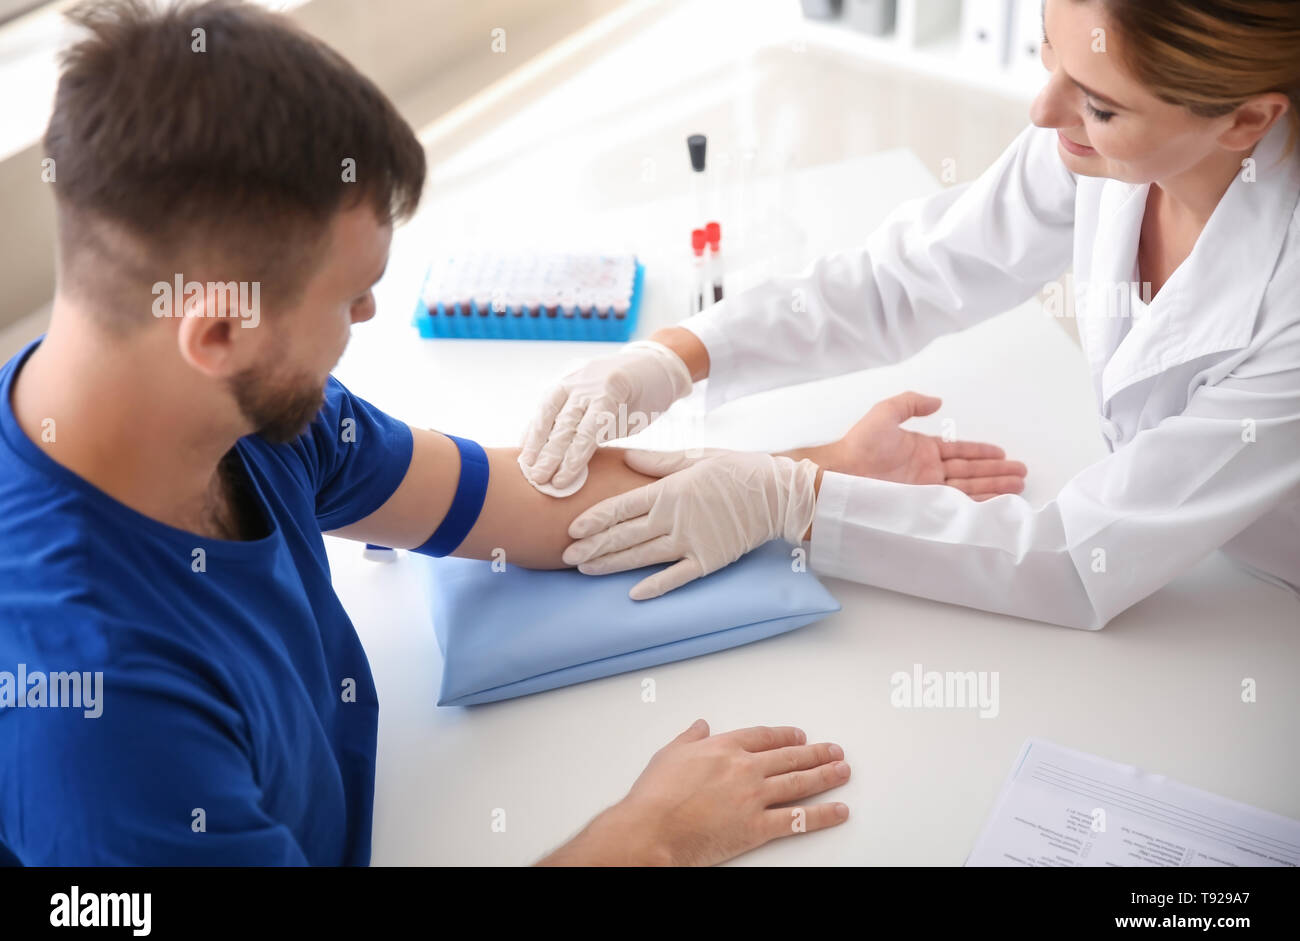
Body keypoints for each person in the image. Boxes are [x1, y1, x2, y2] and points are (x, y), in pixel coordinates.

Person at [0, 0, 1023, 866]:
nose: (366, 326)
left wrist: (810, 476)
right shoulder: (100, 725)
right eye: (353, 299)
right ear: (218, 329)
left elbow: (511, 501)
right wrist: (643, 837)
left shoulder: (230, 413)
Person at [525, 0, 1300, 627]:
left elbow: (1073, 562)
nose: (1043, 110)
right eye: (1048, 53)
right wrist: (677, 353)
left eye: (1098, 104)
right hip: (1195, 561)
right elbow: (905, 279)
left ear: (1244, 122)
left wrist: (791, 498)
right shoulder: (1100, 137)